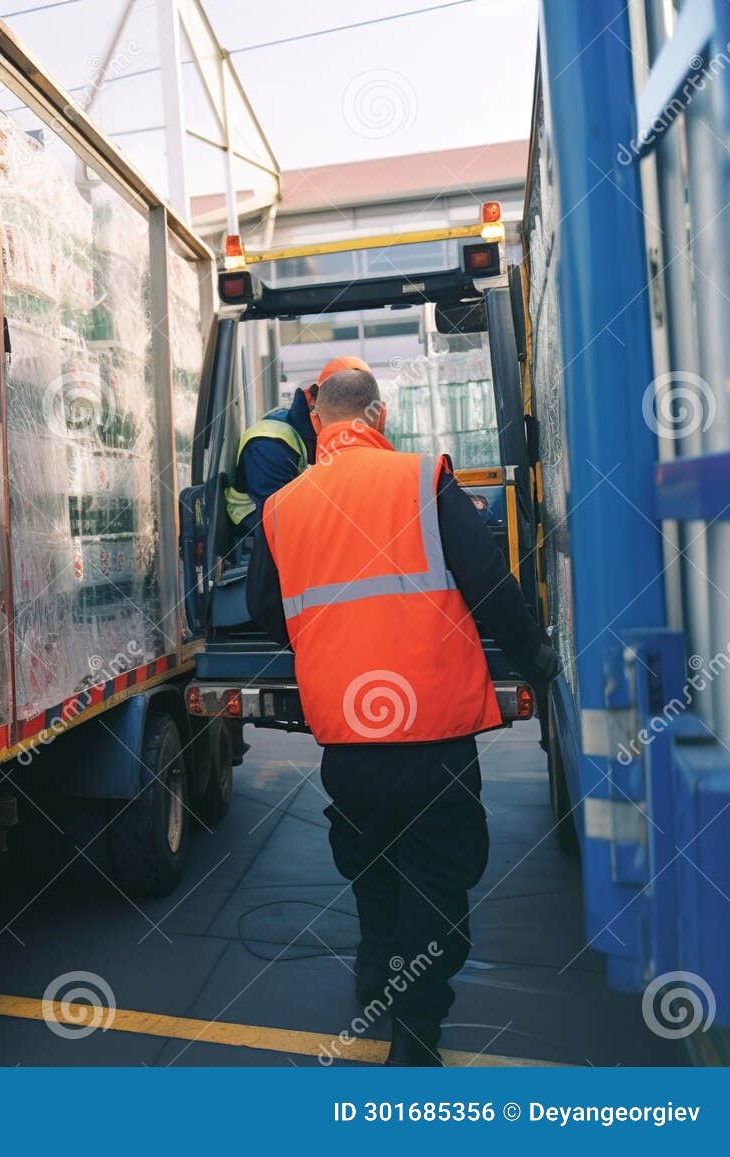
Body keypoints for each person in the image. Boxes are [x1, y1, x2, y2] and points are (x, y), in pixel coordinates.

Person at [245, 367, 557, 1066]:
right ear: (377, 415)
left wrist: (328, 640)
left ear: (317, 423)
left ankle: (373, 973)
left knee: (371, 859)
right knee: (436, 875)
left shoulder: (284, 506)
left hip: (347, 738)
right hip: (432, 730)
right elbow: (489, 583)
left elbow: (266, 606)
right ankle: (414, 1038)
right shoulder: (420, 478)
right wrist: (536, 656)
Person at [225, 355, 371, 536]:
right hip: (253, 528)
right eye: (339, 409)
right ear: (313, 401)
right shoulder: (270, 444)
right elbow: (278, 521)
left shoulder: (312, 430)